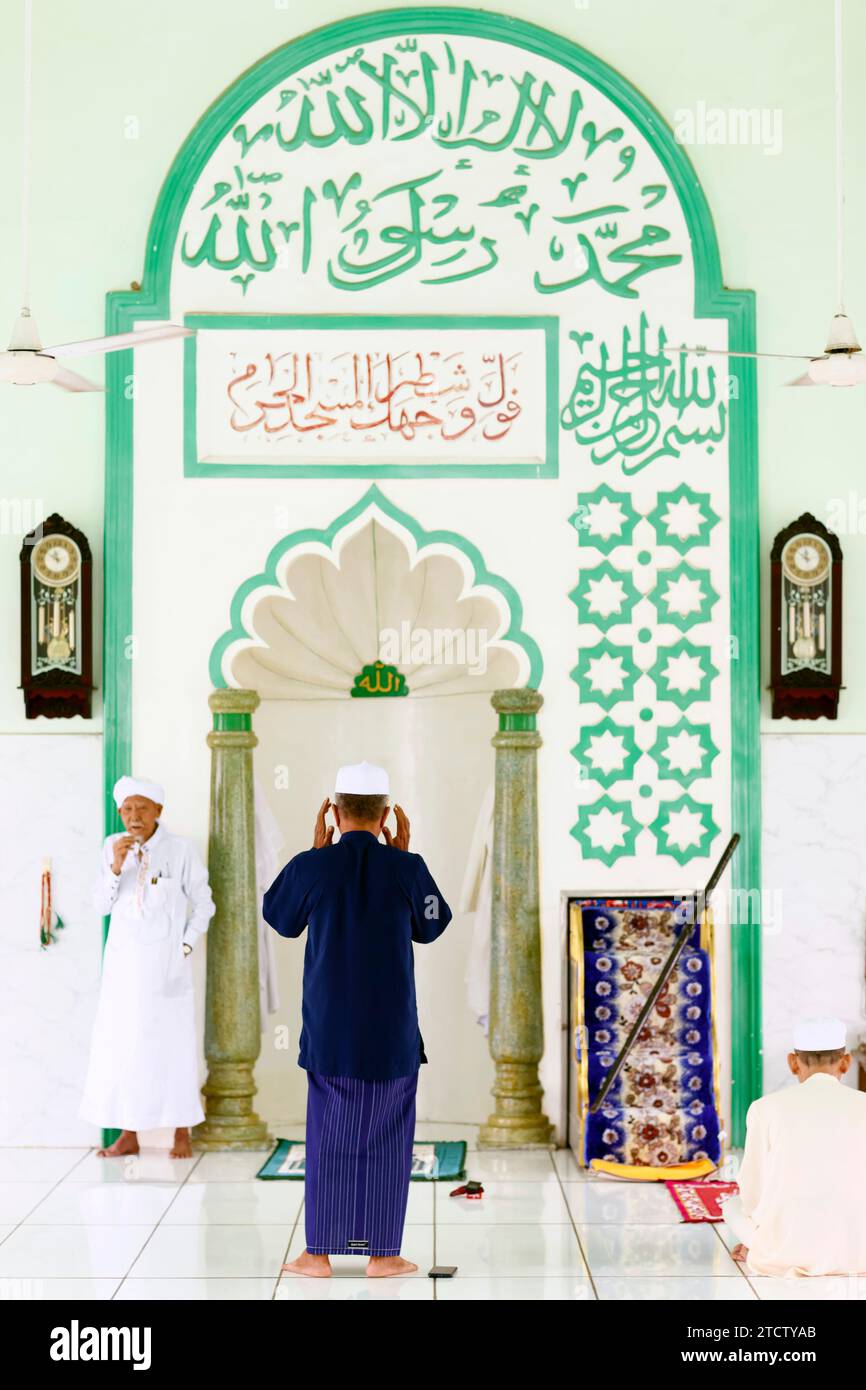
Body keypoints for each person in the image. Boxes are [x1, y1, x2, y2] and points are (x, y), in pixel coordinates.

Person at [263, 761, 452, 1279]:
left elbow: (279, 917)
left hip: (330, 1029)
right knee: (390, 1136)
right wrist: (409, 855)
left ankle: (318, 1255)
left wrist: (316, 852)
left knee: (328, 1133)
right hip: (390, 1032)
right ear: (387, 814)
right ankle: (382, 1255)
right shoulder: (408, 869)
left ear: (334, 811)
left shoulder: (311, 865)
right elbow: (433, 923)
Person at [78, 776, 215, 1159]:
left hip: (168, 971)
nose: (134, 817)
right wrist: (116, 867)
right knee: (124, 1046)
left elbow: (204, 903)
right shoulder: (111, 848)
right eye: (127, 810)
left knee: (174, 1047)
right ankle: (128, 1133)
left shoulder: (180, 850)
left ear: (158, 811)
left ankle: (181, 1131)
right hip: (124, 972)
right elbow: (101, 906)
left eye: (142, 808)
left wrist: (185, 945)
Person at [722, 1017, 866, 1277]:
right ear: (845, 1062)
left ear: (792, 1062)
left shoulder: (765, 1108)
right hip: (860, 1251)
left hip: (787, 1250)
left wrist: (758, 1235)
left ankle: (762, 1248)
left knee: (731, 1206)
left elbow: (752, 1190)